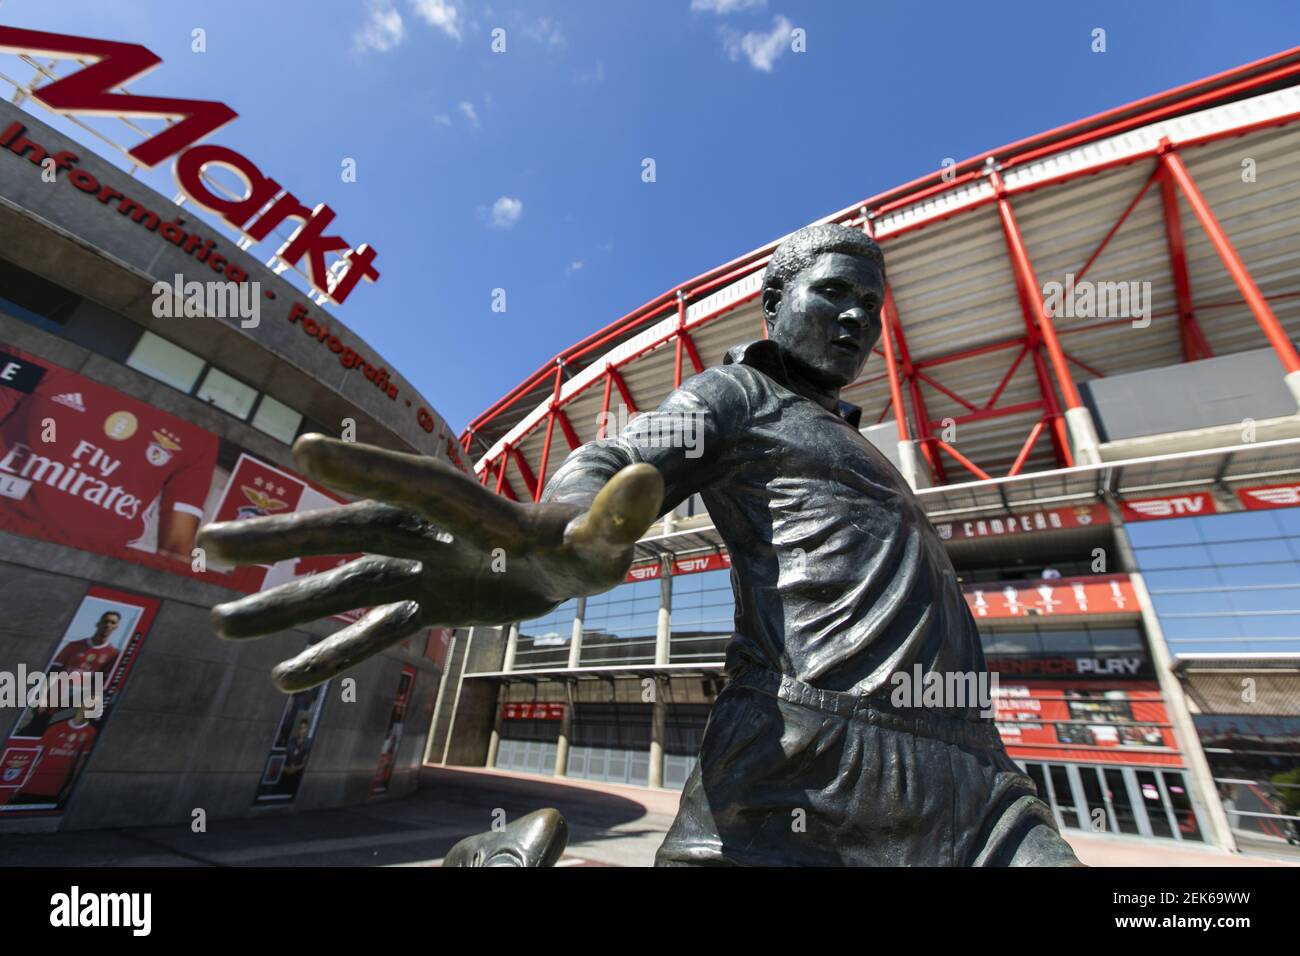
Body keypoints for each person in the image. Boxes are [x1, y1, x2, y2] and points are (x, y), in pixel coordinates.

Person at [197, 223, 1079, 866]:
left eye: (870, 306)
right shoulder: (742, 394)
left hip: (978, 776)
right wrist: (557, 532)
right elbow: (618, 456)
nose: (856, 319)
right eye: (833, 295)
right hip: (809, 757)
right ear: (775, 307)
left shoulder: (858, 444)